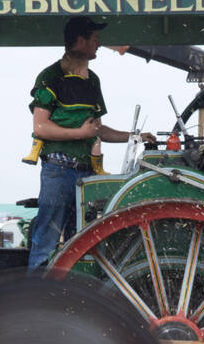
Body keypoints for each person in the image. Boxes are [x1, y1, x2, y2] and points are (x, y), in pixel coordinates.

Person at [26, 16, 155, 271]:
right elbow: (40, 127)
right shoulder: (51, 77)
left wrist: (133, 136)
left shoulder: (92, 80)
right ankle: (34, 302)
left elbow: (96, 129)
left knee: (82, 242)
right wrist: (79, 134)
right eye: (94, 38)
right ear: (79, 40)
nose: (99, 43)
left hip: (85, 174)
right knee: (46, 241)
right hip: (58, 169)